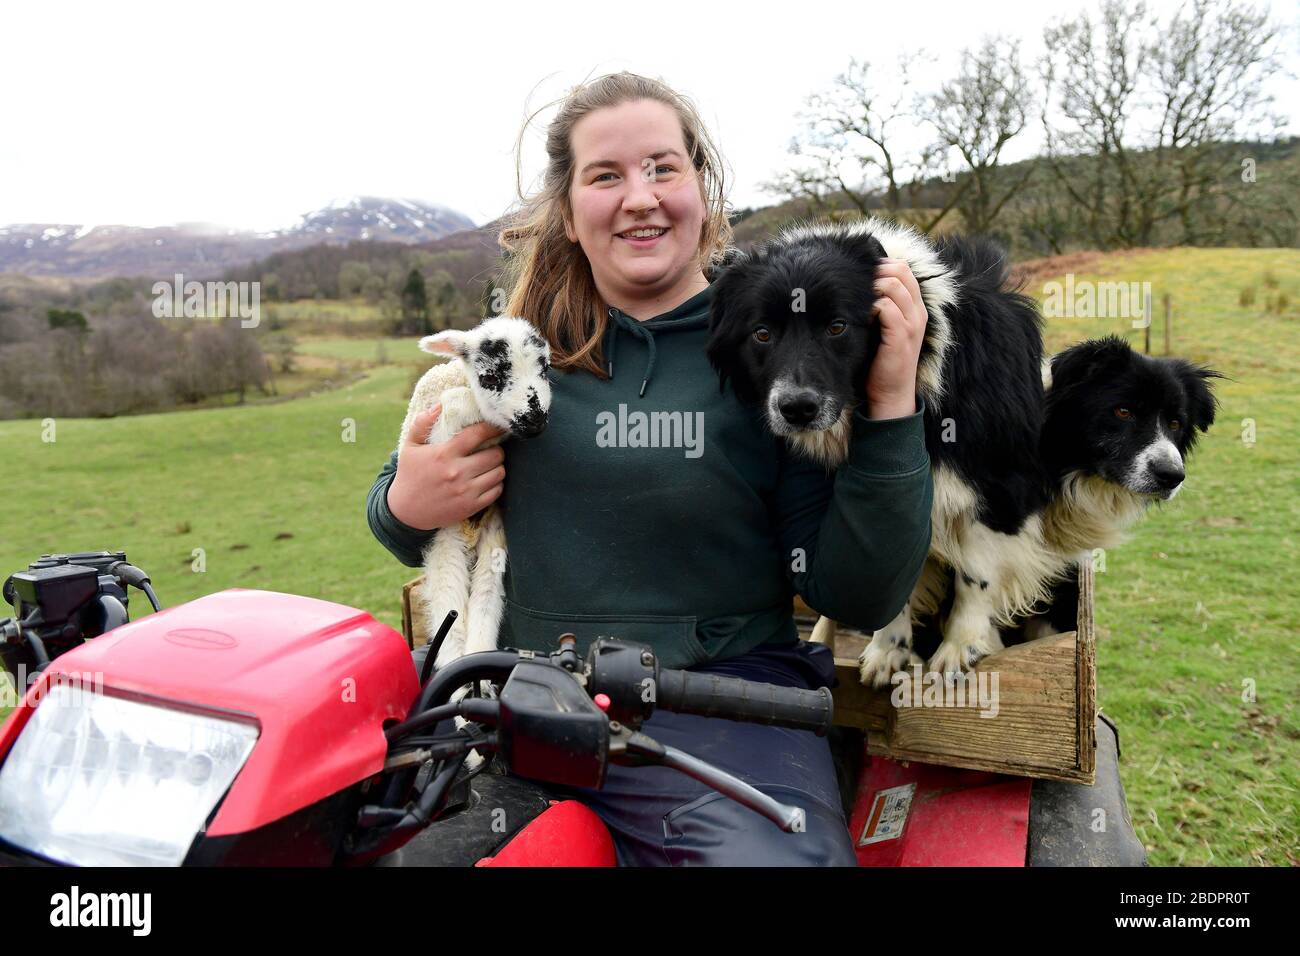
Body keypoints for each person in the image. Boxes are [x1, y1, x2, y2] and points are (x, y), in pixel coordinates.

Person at [366, 71, 933, 866]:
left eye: (664, 168)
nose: (640, 196)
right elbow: (404, 511)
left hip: (727, 714)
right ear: (569, 209)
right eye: (607, 175)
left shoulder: (772, 349)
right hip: (530, 710)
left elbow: (860, 593)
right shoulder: (521, 356)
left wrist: (892, 403)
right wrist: (406, 502)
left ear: (701, 187)